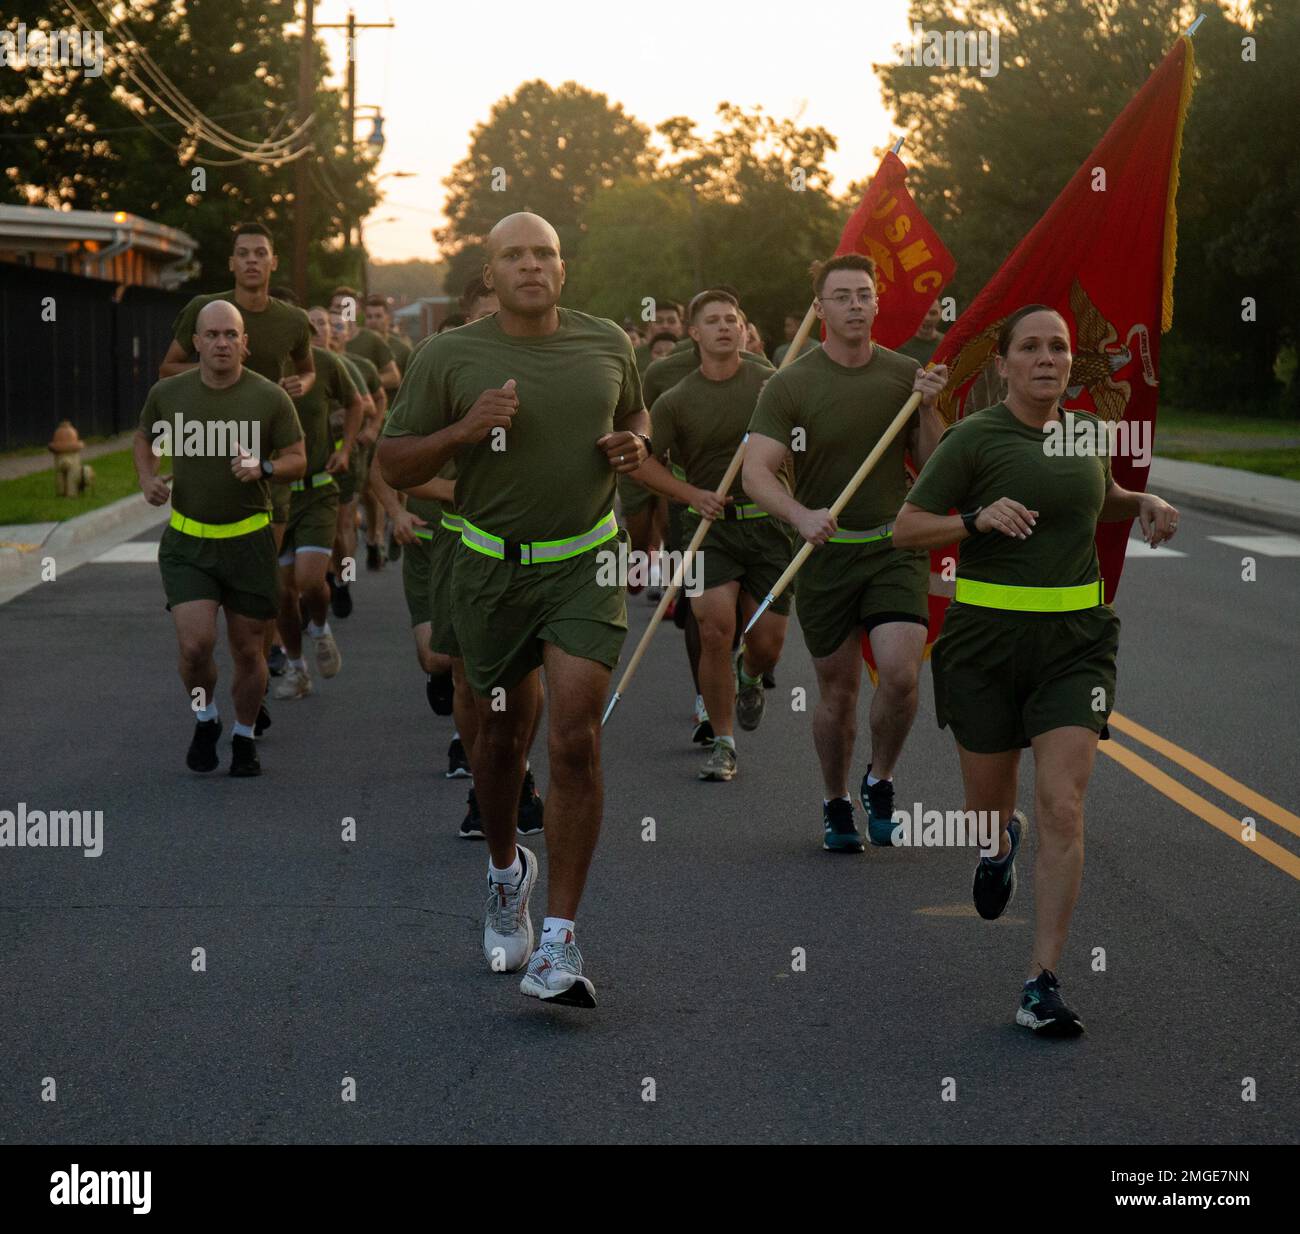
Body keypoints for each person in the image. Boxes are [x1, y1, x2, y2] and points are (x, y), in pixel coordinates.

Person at [378, 211, 649, 1008]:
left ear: (562, 269)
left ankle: (559, 940)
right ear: (490, 274)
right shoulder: (447, 355)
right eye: (514, 256)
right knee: (499, 741)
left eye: (545, 254)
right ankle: (506, 871)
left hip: (586, 561)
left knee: (576, 735)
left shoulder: (608, 343)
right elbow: (392, 461)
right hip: (488, 569)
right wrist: (465, 429)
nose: (531, 265)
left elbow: (634, 415)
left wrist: (635, 443)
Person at [892, 304, 1179, 1035]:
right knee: (989, 810)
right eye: (1030, 347)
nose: (1046, 358)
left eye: (1058, 346)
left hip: (1076, 644)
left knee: (1063, 806)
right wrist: (974, 520)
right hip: (984, 645)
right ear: (1004, 363)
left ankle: (1040, 981)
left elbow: (1100, 498)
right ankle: (996, 847)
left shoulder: (1086, 432)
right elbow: (905, 528)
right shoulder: (972, 438)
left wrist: (1143, 500)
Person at [744, 254, 947, 852]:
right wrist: (801, 515)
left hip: (892, 547)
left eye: (864, 294)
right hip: (825, 555)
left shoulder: (906, 374)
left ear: (877, 303)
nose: (855, 305)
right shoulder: (790, 383)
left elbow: (935, 466)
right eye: (842, 296)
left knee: (901, 675)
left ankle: (879, 780)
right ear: (820, 309)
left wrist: (929, 408)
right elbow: (756, 472)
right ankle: (836, 801)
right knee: (838, 693)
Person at [629, 290, 794, 781]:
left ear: (743, 330)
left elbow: (805, 443)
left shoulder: (772, 383)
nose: (725, 327)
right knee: (715, 630)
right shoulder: (675, 399)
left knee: (766, 644)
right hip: (706, 529)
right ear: (694, 333)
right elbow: (641, 464)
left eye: (732, 320)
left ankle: (750, 675)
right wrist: (690, 494)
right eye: (714, 321)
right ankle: (723, 742)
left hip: (768, 526)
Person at [135, 301, 305, 776]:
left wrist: (264, 467)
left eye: (231, 334)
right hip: (189, 543)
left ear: (245, 343)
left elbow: (297, 458)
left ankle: (244, 736)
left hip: (249, 542)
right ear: (196, 343)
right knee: (195, 647)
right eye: (212, 335)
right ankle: (206, 717)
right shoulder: (169, 393)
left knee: (248, 650)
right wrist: (147, 478)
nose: (222, 343)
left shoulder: (270, 397)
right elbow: (145, 438)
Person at [161, 224, 316, 728]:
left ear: (273, 263)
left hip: (268, 470)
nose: (251, 261)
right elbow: (168, 369)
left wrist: (298, 383)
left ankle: (254, 683)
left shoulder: (292, 320)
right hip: (212, 456)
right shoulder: (205, 310)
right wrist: (219, 376)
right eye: (243, 253)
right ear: (231, 263)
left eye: (260, 253)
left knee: (261, 593)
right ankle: (223, 697)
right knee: (202, 631)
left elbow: (308, 370)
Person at [271, 300, 364, 700]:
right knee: (281, 594)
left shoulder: (325, 364)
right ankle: (296, 668)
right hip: (272, 494)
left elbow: (357, 403)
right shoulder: (263, 367)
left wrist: (345, 449)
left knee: (310, 581)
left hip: (317, 488)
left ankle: (321, 628)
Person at [364, 294, 412, 376]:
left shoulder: (402, 350)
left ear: (387, 319)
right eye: (369, 317)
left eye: (378, 316)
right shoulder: (358, 345)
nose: (373, 321)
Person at [897, 299, 946, 365]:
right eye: (922, 312)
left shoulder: (946, 344)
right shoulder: (898, 343)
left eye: (933, 313)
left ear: (941, 315)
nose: (927, 318)